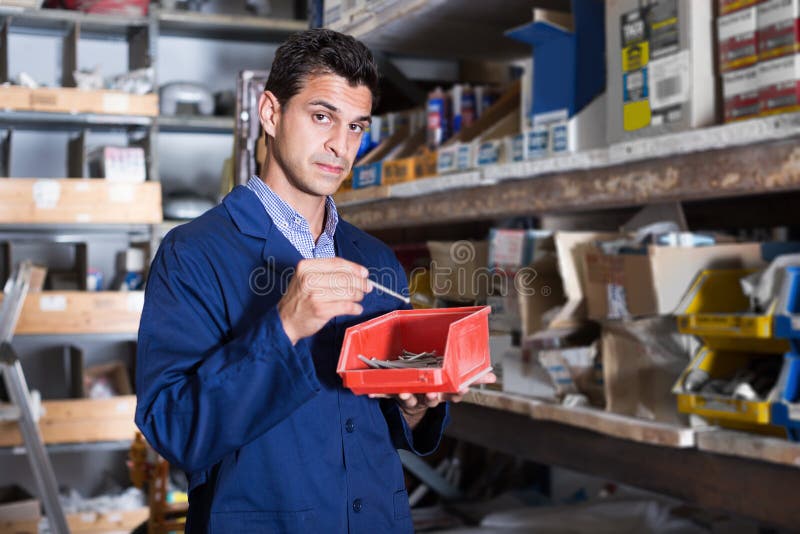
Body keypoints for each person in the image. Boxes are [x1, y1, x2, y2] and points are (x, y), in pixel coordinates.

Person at [135, 28, 494, 533]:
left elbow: (378, 423)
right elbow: (173, 430)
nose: (339, 145)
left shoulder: (375, 259)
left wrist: (416, 408)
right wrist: (282, 327)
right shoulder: (193, 254)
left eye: (356, 126)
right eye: (322, 116)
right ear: (271, 113)